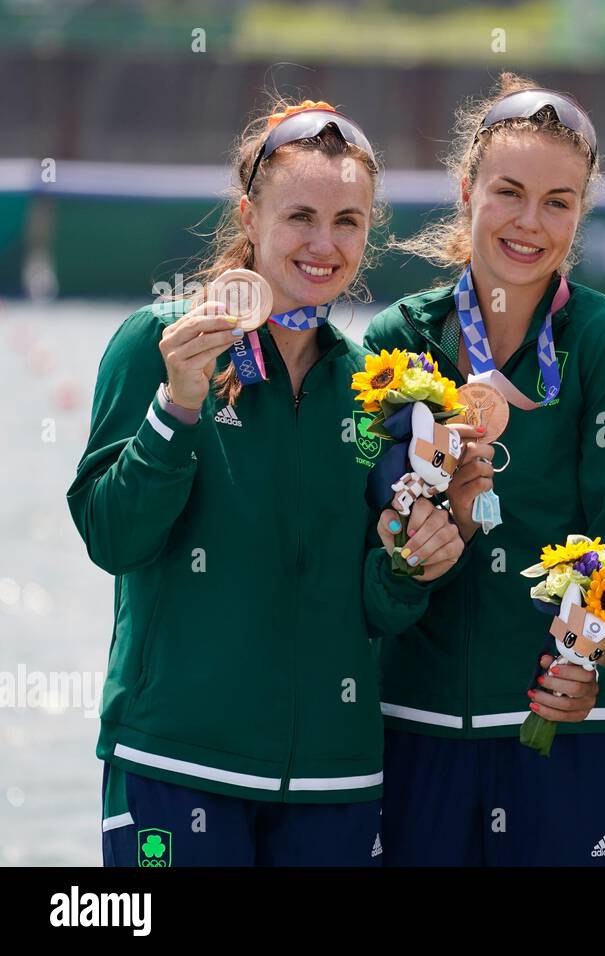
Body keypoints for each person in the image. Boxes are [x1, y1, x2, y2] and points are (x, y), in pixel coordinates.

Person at [68, 99, 465, 866]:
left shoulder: (377, 388)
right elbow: (112, 537)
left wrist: (414, 564)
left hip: (335, 780)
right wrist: (176, 406)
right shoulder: (159, 343)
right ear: (250, 216)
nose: (325, 244)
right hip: (177, 765)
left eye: (348, 221)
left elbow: (377, 612)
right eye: (301, 217)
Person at [364, 74, 605, 866]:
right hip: (418, 722)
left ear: (581, 213)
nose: (531, 223)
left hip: (562, 722)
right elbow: (371, 529)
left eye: (559, 202)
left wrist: (595, 663)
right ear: (466, 191)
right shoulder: (399, 337)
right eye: (509, 192)